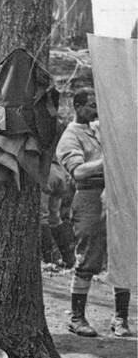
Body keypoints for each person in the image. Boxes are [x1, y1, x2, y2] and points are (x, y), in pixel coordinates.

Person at [56, 88, 130, 337]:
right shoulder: (70, 136)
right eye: (90, 106)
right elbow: (78, 172)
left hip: (115, 194)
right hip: (89, 197)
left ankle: (120, 318)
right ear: (77, 106)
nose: (95, 110)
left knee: (121, 256)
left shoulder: (97, 127)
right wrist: (108, 160)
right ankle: (77, 318)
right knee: (88, 258)